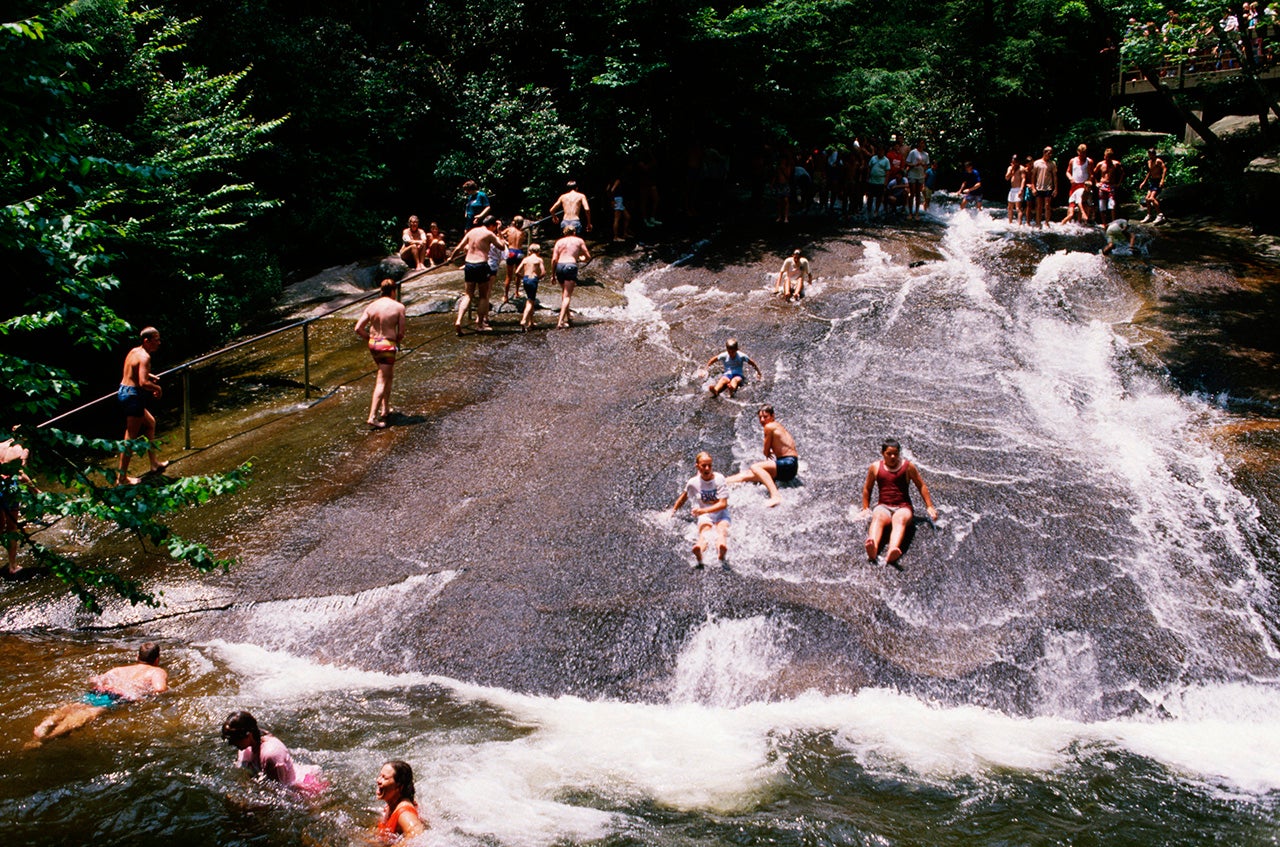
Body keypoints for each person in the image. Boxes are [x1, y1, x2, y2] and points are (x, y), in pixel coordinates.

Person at [30, 642, 168, 746]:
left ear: (137, 656)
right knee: (87, 714)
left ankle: (45, 724)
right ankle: (48, 739)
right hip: (119, 696)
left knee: (75, 706)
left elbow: (95, 680)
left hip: (99, 691)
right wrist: (144, 697)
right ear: (157, 659)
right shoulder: (156, 671)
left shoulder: (118, 670)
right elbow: (160, 689)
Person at [857, 439, 938, 565]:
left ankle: (892, 550)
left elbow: (921, 485)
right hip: (883, 506)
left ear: (899, 453)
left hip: (903, 507)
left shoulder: (907, 466)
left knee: (899, 520)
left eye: (896, 453)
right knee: (877, 517)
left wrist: (929, 506)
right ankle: (872, 545)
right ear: (883, 453)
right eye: (889, 454)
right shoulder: (875, 467)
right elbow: (868, 488)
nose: (893, 457)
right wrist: (865, 507)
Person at [221, 710, 326, 793]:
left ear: (248, 735)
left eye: (233, 739)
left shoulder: (271, 755)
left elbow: (281, 793)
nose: (231, 744)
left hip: (303, 788)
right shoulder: (245, 749)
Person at [117, 327, 168, 485]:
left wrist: (149, 375)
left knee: (150, 423)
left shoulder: (134, 351)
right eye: (156, 339)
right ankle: (122, 478)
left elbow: (133, 371)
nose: (159, 343)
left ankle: (154, 463)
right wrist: (157, 388)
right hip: (133, 396)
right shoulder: (145, 357)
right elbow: (142, 383)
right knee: (130, 438)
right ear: (147, 341)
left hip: (124, 391)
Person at [354, 279, 406, 429]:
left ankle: (385, 409)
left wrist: (368, 338)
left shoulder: (371, 306)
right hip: (387, 346)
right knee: (382, 380)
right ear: (393, 291)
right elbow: (401, 332)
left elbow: (358, 328)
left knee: (387, 375)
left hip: (374, 344)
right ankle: (372, 417)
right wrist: (395, 340)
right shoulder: (399, 307)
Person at [726, 405, 799, 508]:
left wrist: (768, 452)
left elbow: (765, 450)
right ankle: (722, 482)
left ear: (773, 416)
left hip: (787, 464)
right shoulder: (778, 426)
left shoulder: (769, 426)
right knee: (750, 474)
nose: (762, 420)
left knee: (755, 467)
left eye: (765, 416)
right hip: (789, 467)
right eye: (760, 417)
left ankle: (775, 495)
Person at [448, 216, 506, 334]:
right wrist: (499, 234)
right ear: (492, 225)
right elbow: (501, 246)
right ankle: (480, 325)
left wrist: (451, 258)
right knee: (483, 296)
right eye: (494, 227)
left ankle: (459, 320)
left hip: (469, 264)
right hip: (481, 265)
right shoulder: (489, 234)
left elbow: (459, 247)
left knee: (468, 294)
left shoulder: (472, 231)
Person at [670, 451, 730, 565]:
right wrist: (672, 512)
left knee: (721, 530)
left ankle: (721, 550)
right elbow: (683, 498)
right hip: (705, 516)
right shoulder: (693, 482)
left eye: (710, 465)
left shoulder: (719, 479)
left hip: (721, 513)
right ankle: (699, 550)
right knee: (704, 533)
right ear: (697, 466)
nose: (707, 468)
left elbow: (723, 504)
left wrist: (702, 510)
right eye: (704, 465)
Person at [1, 434, 38, 579]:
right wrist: (36, 491)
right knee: (11, 528)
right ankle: (12, 566)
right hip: (9, 489)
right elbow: (21, 475)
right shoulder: (22, 450)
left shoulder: (1, 445)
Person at [550, 223, 591, 329]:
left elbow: (554, 259)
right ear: (574, 232)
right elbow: (588, 256)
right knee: (567, 295)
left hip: (559, 266)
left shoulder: (559, 242)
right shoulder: (579, 241)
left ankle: (568, 316)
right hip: (570, 266)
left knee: (564, 293)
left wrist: (553, 275)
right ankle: (560, 321)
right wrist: (582, 259)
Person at [376, 759, 427, 840]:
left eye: (385, 778)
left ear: (399, 787)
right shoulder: (391, 804)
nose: (378, 780)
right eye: (380, 776)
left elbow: (418, 836)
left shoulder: (404, 813)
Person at [515, 243, 546, 331]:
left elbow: (517, 272)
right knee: (530, 301)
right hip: (533, 279)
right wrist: (538, 278)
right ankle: (524, 320)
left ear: (530, 251)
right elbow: (543, 272)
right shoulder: (539, 260)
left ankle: (531, 322)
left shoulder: (525, 259)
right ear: (538, 251)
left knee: (531, 299)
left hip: (525, 279)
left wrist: (522, 278)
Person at [1062, 144, 1095, 225]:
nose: (1083, 155)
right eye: (1081, 153)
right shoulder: (1072, 161)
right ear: (1078, 152)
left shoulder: (1089, 161)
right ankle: (1068, 222)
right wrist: (1070, 178)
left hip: (1084, 185)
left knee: (1083, 204)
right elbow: (1067, 172)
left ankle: (1080, 222)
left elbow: (1091, 174)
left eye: (1084, 153)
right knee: (1072, 204)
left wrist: (1089, 183)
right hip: (1074, 185)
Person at [1092, 149, 1124, 225]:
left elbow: (1122, 173)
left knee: (1112, 204)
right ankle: (1104, 224)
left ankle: (1113, 222)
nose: (1107, 159)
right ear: (1104, 156)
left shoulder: (1116, 164)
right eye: (1106, 157)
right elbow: (1093, 174)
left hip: (1111, 185)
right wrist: (1096, 183)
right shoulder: (1100, 164)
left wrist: (1118, 183)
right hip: (1102, 185)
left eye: (1109, 157)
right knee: (1102, 205)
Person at [1030, 146, 1058, 227]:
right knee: (1038, 206)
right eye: (1049, 153)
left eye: (1051, 153)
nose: (1050, 155)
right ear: (1044, 153)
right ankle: (1038, 223)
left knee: (1047, 206)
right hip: (1039, 187)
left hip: (1048, 187)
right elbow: (1033, 176)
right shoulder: (1036, 163)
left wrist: (1056, 189)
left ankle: (1047, 223)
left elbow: (1055, 177)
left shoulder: (1052, 164)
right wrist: (1033, 187)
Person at [1138, 148, 1167, 224]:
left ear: (1154, 154)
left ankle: (1160, 215)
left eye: (1151, 155)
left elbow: (1164, 169)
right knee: (1147, 199)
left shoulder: (1158, 161)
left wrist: (1162, 180)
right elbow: (1149, 172)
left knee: (1152, 198)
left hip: (1157, 181)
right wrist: (1144, 182)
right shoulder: (1149, 162)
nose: (1150, 157)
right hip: (1152, 181)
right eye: (1149, 155)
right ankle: (1149, 215)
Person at [502, 217, 527, 302]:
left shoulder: (509, 229)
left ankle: (505, 296)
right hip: (519, 252)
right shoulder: (522, 232)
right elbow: (522, 240)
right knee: (518, 274)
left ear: (514, 222)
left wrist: (506, 242)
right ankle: (516, 292)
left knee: (509, 276)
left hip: (511, 251)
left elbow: (500, 235)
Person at [905, 139, 930, 220]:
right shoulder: (913, 152)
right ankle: (910, 213)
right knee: (912, 193)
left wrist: (922, 165)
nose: (922, 145)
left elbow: (926, 166)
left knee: (918, 194)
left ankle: (917, 213)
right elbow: (907, 163)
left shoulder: (926, 154)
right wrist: (915, 164)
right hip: (912, 174)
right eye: (921, 143)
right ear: (918, 144)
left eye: (923, 143)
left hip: (920, 175)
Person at [1005, 154, 1027, 225]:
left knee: (1018, 208)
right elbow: (1007, 178)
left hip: (1018, 189)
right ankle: (1010, 222)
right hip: (1012, 189)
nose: (1014, 163)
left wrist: (1021, 189)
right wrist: (1012, 171)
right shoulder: (1010, 168)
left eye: (1015, 162)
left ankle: (1019, 224)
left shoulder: (1021, 168)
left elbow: (1023, 179)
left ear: (1018, 162)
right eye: (1013, 162)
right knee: (1009, 207)